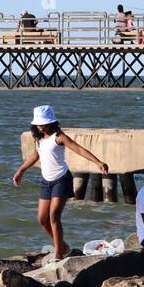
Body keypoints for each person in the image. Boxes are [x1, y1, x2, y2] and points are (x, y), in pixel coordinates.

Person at [13, 105, 109, 261]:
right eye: (37, 123)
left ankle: (58, 253)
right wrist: (21, 170)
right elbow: (36, 155)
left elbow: (79, 149)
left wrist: (98, 162)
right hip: (46, 182)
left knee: (54, 216)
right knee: (42, 219)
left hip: (61, 180)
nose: (39, 126)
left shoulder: (59, 136)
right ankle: (63, 245)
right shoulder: (39, 138)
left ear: (50, 122)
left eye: (42, 123)